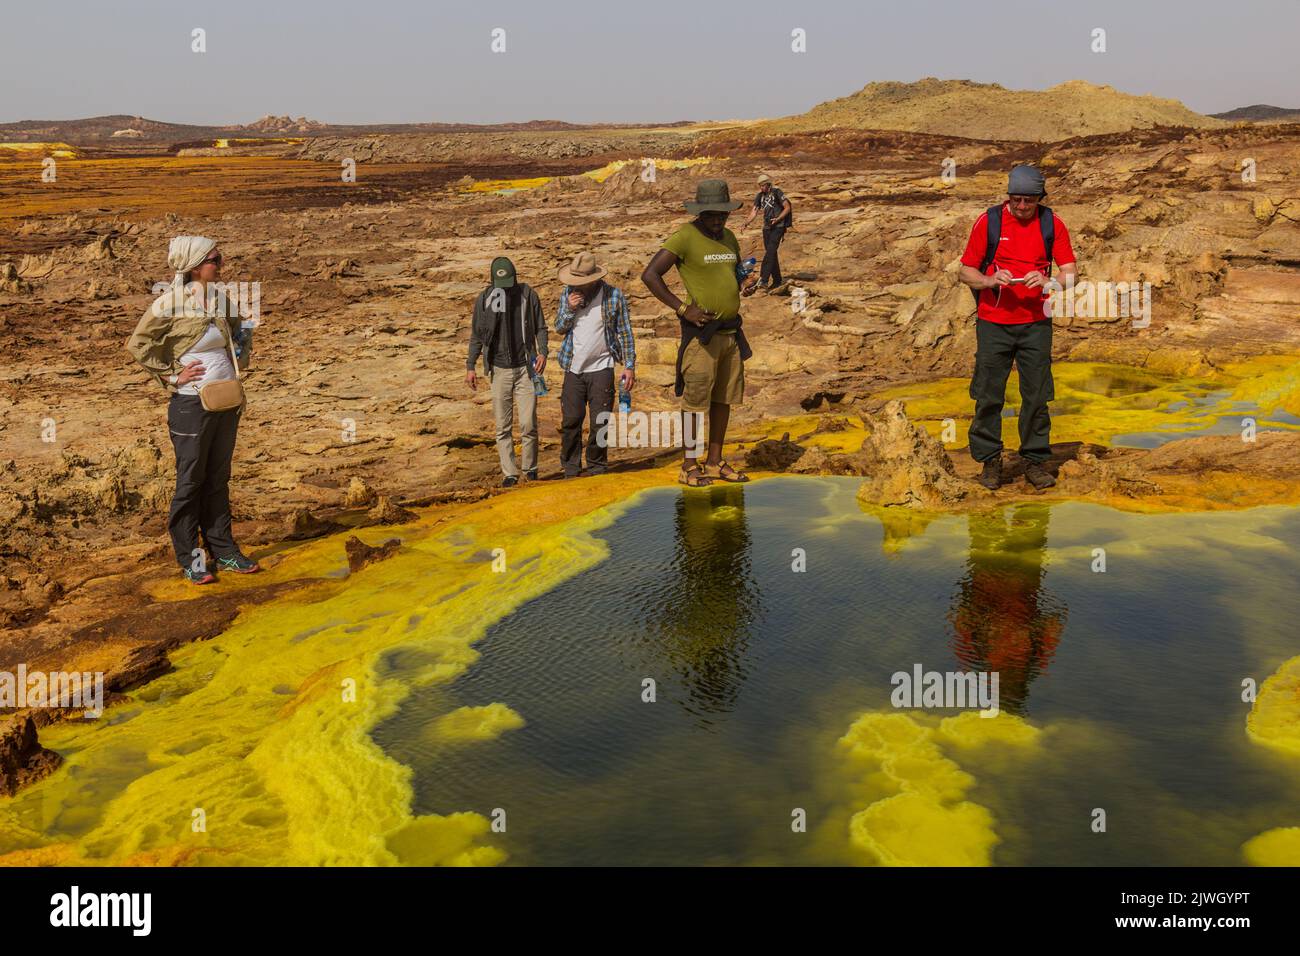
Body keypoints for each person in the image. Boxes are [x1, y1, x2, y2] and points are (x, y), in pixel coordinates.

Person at [126, 236, 260, 585]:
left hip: (227, 402)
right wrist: (172, 376)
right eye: (216, 258)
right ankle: (191, 558)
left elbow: (240, 327)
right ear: (195, 265)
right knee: (191, 481)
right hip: (190, 405)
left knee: (218, 479)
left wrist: (239, 357)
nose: (222, 263)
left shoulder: (219, 298)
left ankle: (225, 550)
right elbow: (138, 343)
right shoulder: (170, 303)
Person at [958, 165, 1077, 491]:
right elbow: (965, 271)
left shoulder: (1052, 224)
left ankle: (1035, 461)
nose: (1022, 206)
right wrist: (989, 279)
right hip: (993, 323)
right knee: (987, 394)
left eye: (1029, 200)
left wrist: (1050, 280)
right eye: (1016, 199)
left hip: (1036, 324)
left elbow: (1072, 274)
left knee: (1037, 395)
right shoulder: (989, 221)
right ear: (1008, 196)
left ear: (1040, 198)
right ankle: (990, 461)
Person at [642, 179, 759, 487]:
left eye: (723, 214)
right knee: (695, 402)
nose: (718, 219)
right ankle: (689, 465)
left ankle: (716, 461)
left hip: (731, 334)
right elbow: (650, 275)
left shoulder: (729, 237)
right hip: (702, 336)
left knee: (723, 399)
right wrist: (683, 309)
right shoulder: (684, 237)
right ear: (700, 212)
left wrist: (743, 283)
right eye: (711, 214)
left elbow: (732, 272)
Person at [466, 256, 548, 487]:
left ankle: (530, 469)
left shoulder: (527, 295)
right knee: (503, 426)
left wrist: (542, 352)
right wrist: (470, 365)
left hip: (525, 369)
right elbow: (477, 335)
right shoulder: (485, 299)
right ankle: (509, 473)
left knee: (528, 424)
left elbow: (541, 326)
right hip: (499, 369)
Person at [553, 251, 636, 477]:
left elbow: (625, 332)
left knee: (600, 421)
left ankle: (597, 466)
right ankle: (571, 467)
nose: (578, 286)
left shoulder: (613, 296)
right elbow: (559, 327)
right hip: (573, 367)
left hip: (602, 367)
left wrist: (629, 366)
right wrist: (569, 309)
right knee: (571, 420)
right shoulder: (567, 294)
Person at [742, 173, 791, 290]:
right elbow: (754, 211)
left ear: (768, 184)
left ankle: (763, 280)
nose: (761, 188)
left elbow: (787, 207)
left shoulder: (777, 192)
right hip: (767, 228)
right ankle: (777, 280)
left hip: (778, 226)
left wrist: (779, 218)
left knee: (769, 253)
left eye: (763, 185)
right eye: (760, 186)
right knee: (772, 253)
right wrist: (746, 222)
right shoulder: (760, 196)